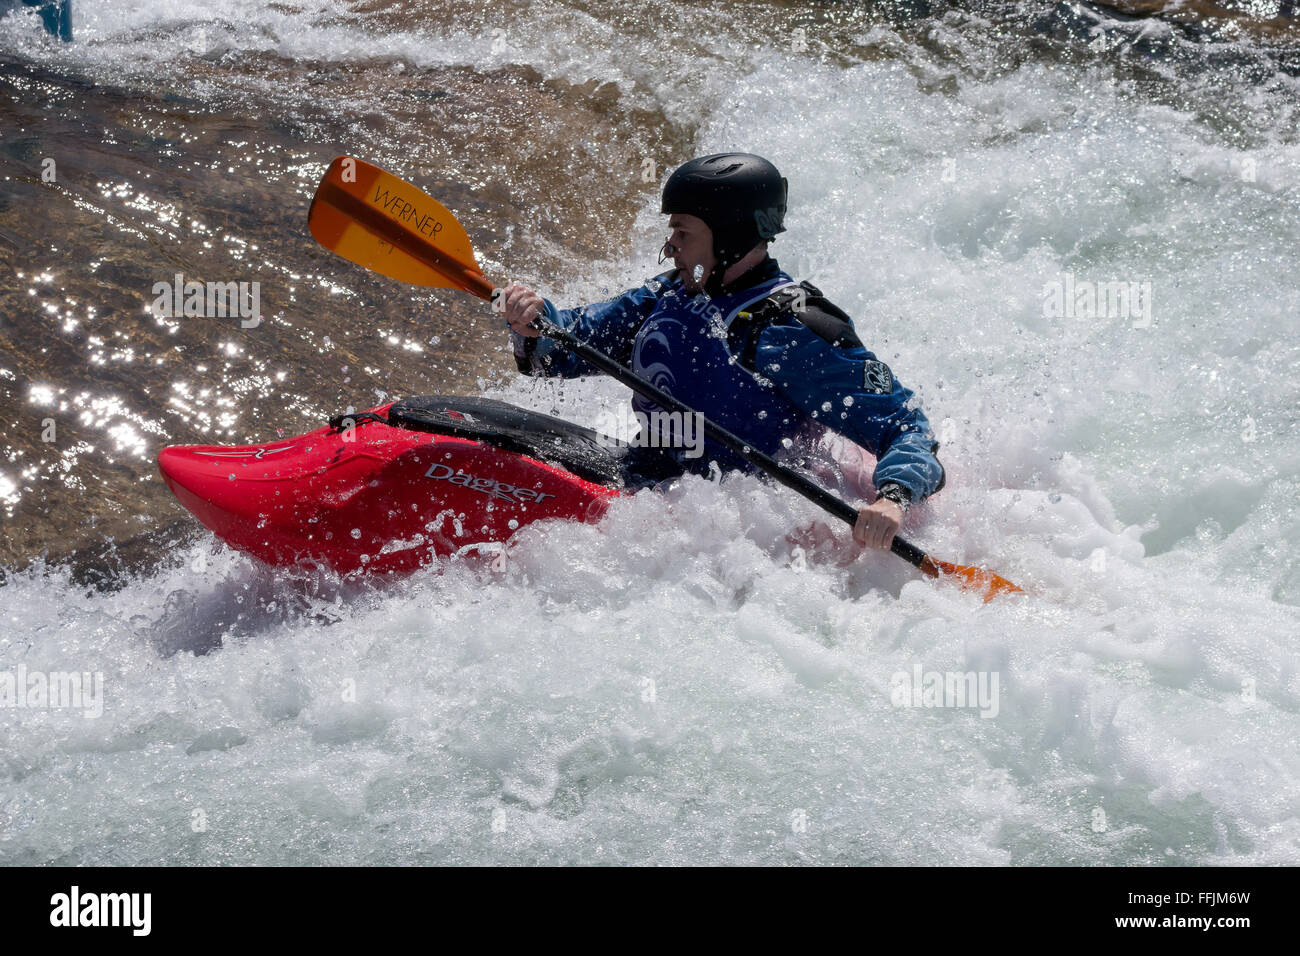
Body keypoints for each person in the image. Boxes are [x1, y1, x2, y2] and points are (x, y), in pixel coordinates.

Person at [500, 152, 944, 552]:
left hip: (747, 527)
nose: (669, 245)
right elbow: (565, 350)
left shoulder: (793, 329)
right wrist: (533, 320)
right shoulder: (668, 294)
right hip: (653, 479)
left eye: (682, 231)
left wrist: (895, 498)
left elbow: (905, 426)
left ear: (729, 237)